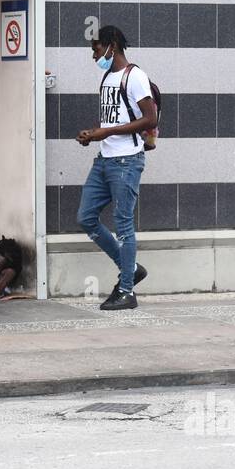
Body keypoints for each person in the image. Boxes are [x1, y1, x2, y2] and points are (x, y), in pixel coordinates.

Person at [76, 25, 158, 310]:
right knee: (86, 217)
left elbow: (150, 119)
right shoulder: (107, 77)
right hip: (104, 159)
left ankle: (126, 291)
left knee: (123, 225)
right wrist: (94, 134)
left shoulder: (134, 76)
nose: (94, 55)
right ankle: (131, 268)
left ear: (112, 45)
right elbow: (114, 120)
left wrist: (107, 133)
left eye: (96, 49)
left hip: (127, 161)